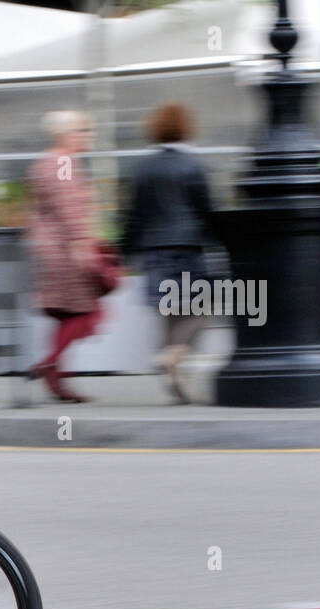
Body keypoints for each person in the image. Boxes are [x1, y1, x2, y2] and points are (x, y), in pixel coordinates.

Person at [120, 102, 225, 404]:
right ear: (186, 128)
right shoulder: (194, 165)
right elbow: (207, 210)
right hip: (189, 247)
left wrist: (125, 253)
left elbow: (134, 215)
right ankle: (174, 355)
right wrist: (222, 243)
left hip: (154, 251)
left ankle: (176, 378)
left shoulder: (142, 167)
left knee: (170, 315)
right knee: (205, 307)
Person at [25, 110, 102, 403]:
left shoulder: (44, 162)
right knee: (87, 312)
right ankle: (51, 363)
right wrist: (81, 243)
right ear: (67, 134)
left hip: (48, 248)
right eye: (84, 131)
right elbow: (69, 207)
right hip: (66, 249)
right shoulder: (64, 163)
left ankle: (57, 379)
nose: (87, 136)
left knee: (65, 315)